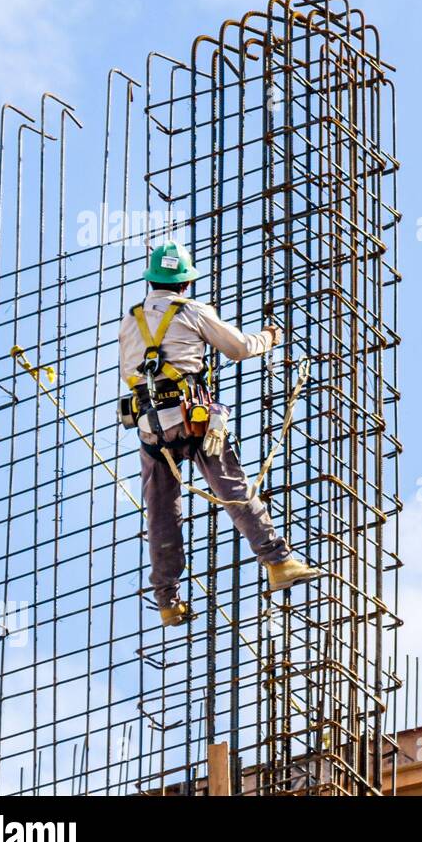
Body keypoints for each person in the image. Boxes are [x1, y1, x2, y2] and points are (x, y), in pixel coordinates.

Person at [119, 241, 319, 627]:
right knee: (232, 487)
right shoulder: (192, 311)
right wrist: (270, 338)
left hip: (150, 427)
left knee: (161, 513)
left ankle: (168, 601)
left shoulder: (130, 319)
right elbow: (240, 348)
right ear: (184, 284)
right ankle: (277, 562)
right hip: (191, 418)